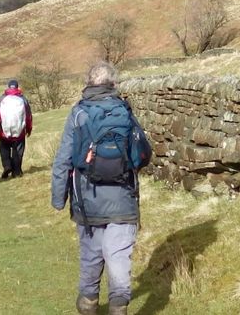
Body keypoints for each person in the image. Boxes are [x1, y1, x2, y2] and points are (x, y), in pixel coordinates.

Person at [51, 61, 151, 315]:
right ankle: (119, 305)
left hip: (87, 201)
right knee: (119, 258)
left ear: (88, 83)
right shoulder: (124, 110)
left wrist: (58, 199)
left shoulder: (78, 113)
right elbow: (143, 153)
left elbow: (63, 159)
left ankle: (88, 304)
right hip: (123, 199)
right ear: (113, 83)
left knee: (91, 257)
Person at [0, 79, 34, 179]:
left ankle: (7, 165)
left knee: (4, 148)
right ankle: (17, 172)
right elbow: (28, 117)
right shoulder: (23, 99)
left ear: (8, 87)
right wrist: (29, 129)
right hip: (19, 133)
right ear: (17, 87)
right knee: (18, 151)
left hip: (4, 133)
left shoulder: (2, 99)